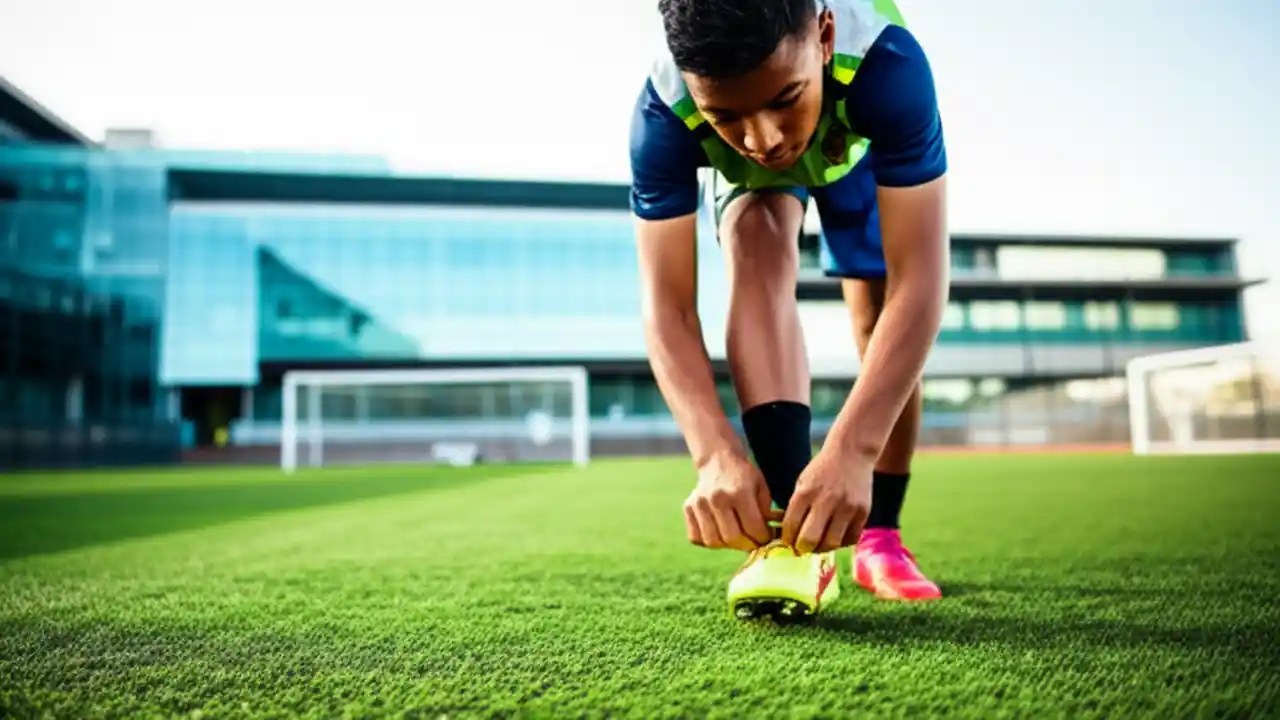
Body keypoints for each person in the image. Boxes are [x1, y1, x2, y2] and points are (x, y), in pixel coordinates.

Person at [629, 0, 949, 619]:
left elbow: (922, 279)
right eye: (726, 116)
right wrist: (713, 453)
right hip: (753, 186)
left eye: (783, 98)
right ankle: (788, 536)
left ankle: (881, 535)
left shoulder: (891, 66)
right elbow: (667, 307)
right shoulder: (661, 114)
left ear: (825, 36)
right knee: (756, 243)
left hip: (855, 141)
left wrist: (852, 453)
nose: (764, 139)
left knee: (876, 314)